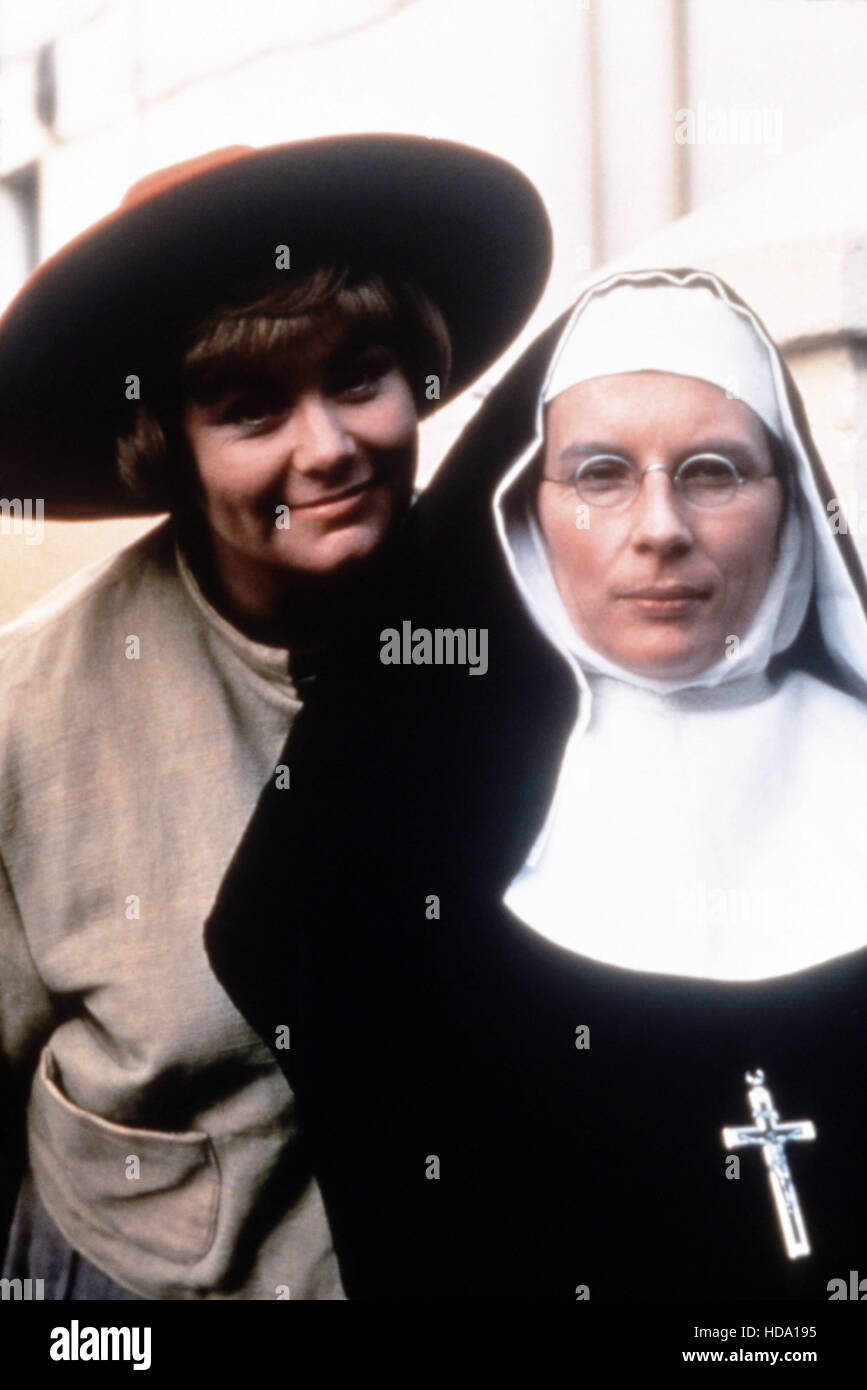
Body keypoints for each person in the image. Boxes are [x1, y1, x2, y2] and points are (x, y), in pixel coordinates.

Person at [206, 268, 867, 1300]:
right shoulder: (426, 826)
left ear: (789, 504)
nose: (660, 527)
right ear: (526, 511)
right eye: (601, 473)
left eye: (715, 470)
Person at [0, 135, 551, 1300]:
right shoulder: (26, 716)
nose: (330, 446)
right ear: (170, 449)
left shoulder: (549, 635)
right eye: (251, 409)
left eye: (360, 375)